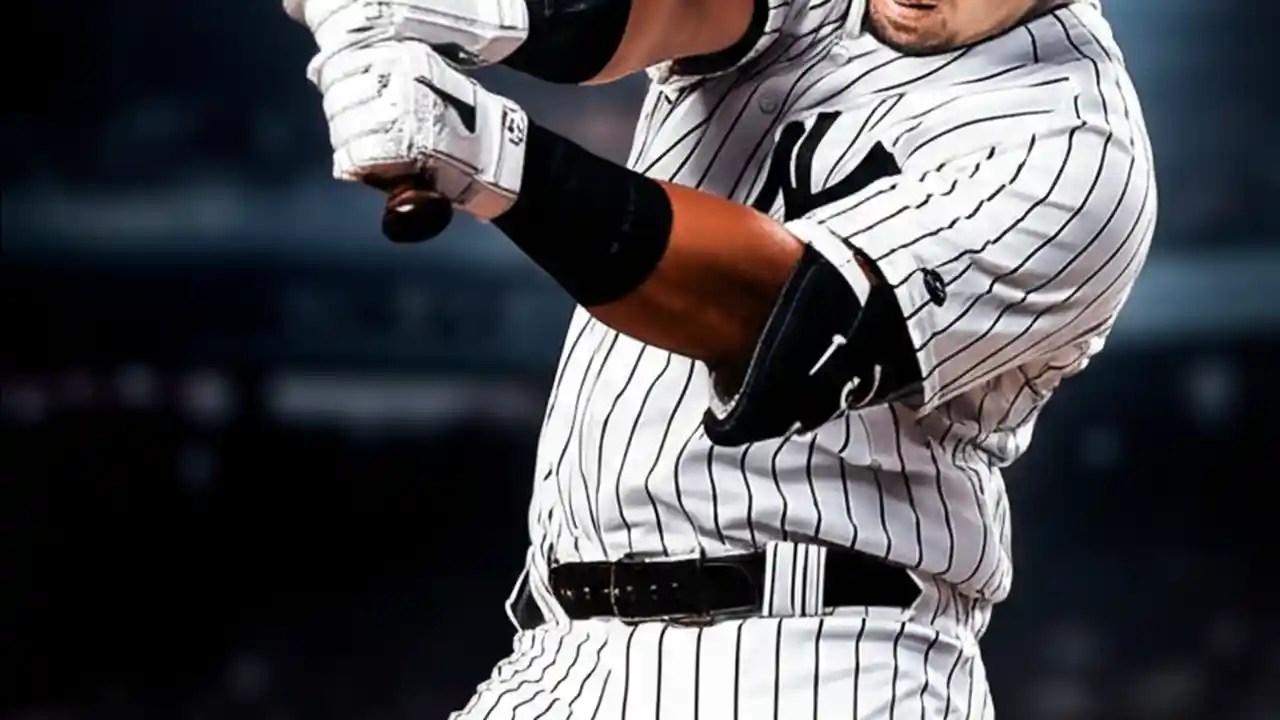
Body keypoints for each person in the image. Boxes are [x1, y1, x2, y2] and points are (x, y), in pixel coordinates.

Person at [286, 0, 1156, 716]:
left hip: (818, 658)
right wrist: (479, 11)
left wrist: (492, 156)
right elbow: (645, 11)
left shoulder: (1074, 146)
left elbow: (780, 317)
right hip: (559, 655)